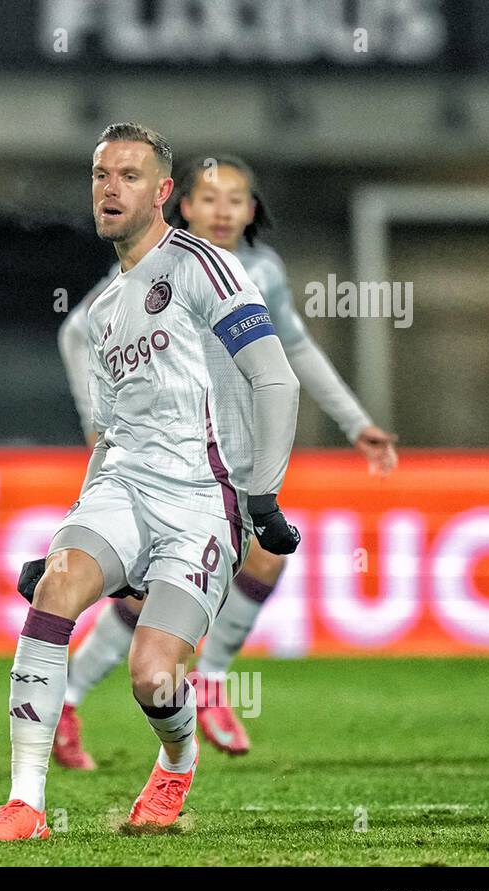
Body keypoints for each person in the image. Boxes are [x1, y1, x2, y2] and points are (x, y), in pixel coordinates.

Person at [0, 124, 301, 840]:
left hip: (200, 503)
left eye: (128, 176)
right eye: (100, 175)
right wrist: (66, 534)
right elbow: (110, 436)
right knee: (58, 587)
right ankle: (25, 804)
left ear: (161, 193)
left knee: (153, 675)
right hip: (121, 489)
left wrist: (263, 495)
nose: (110, 189)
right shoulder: (102, 312)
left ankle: (176, 762)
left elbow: (275, 379)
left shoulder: (203, 267)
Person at [54, 156, 398, 769]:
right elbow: (81, 331)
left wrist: (355, 423)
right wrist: (98, 422)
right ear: (183, 205)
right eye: (209, 198)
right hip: (167, 459)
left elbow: (294, 353)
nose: (222, 210)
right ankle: (81, 697)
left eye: (235, 199)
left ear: (250, 210)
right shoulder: (156, 264)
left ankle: (198, 682)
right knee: (153, 596)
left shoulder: (260, 270)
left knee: (255, 560)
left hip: (231, 453)